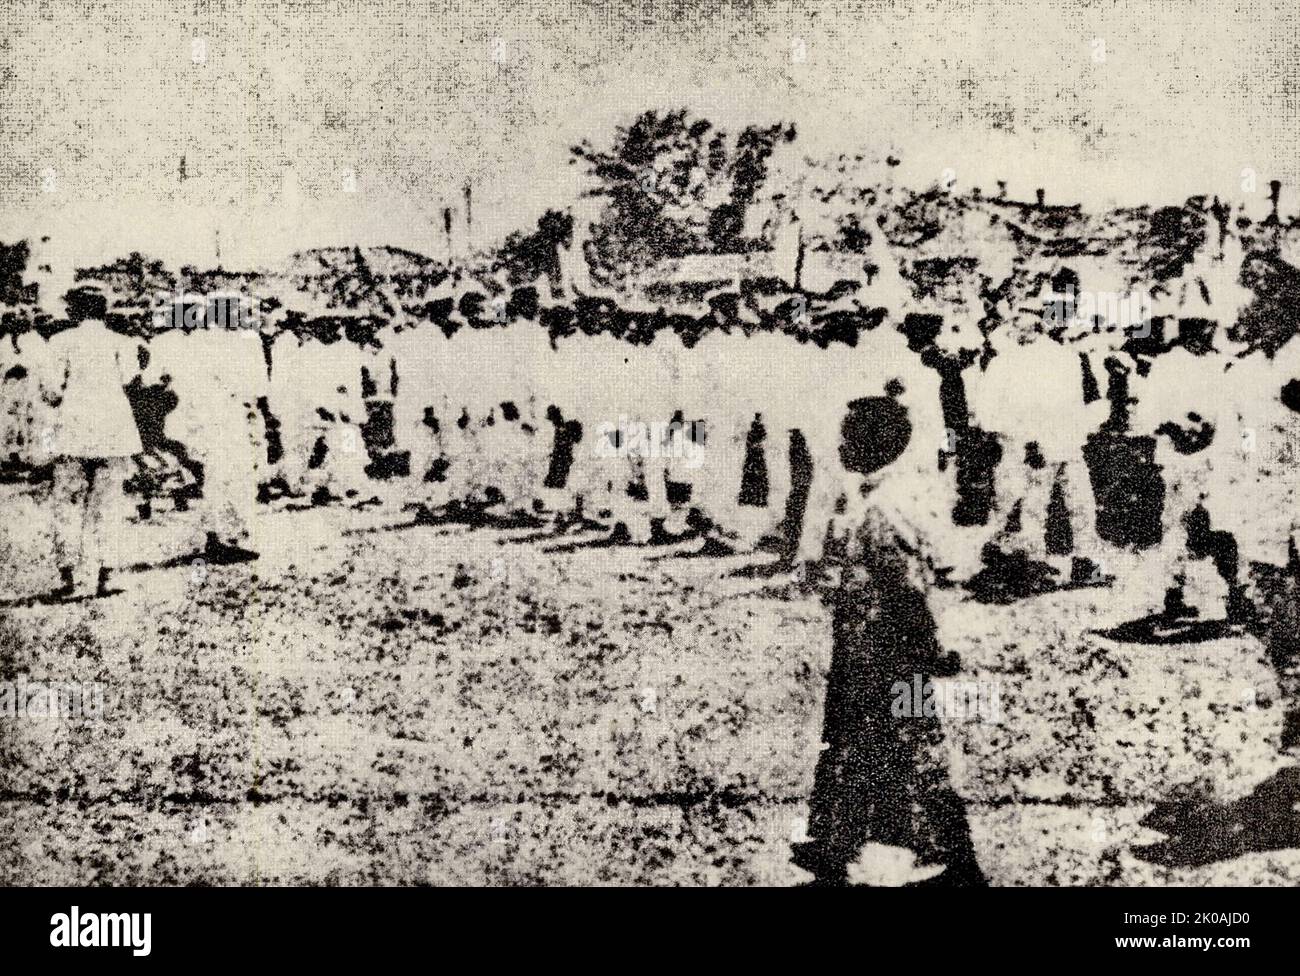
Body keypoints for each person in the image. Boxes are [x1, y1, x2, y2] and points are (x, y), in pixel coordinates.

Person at [792, 392, 987, 886]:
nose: (840, 445)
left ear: (872, 443)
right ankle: (843, 844)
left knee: (902, 745)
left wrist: (931, 650)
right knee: (871, 743)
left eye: (849, 436)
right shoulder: (889, 493)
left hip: (891, 650)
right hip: (873, 644)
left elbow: (905, 590)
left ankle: (941, 857)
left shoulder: (884, 506)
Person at [39, 308, 143, 598]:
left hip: (74, 430)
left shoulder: (61, 341)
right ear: (105, 310)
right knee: (107, 505)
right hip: (112, 430)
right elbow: (132, 383)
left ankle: (69, 578)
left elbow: (51, 392)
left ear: (73, 310)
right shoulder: (121, 342)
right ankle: (104, 576)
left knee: (68, 503)